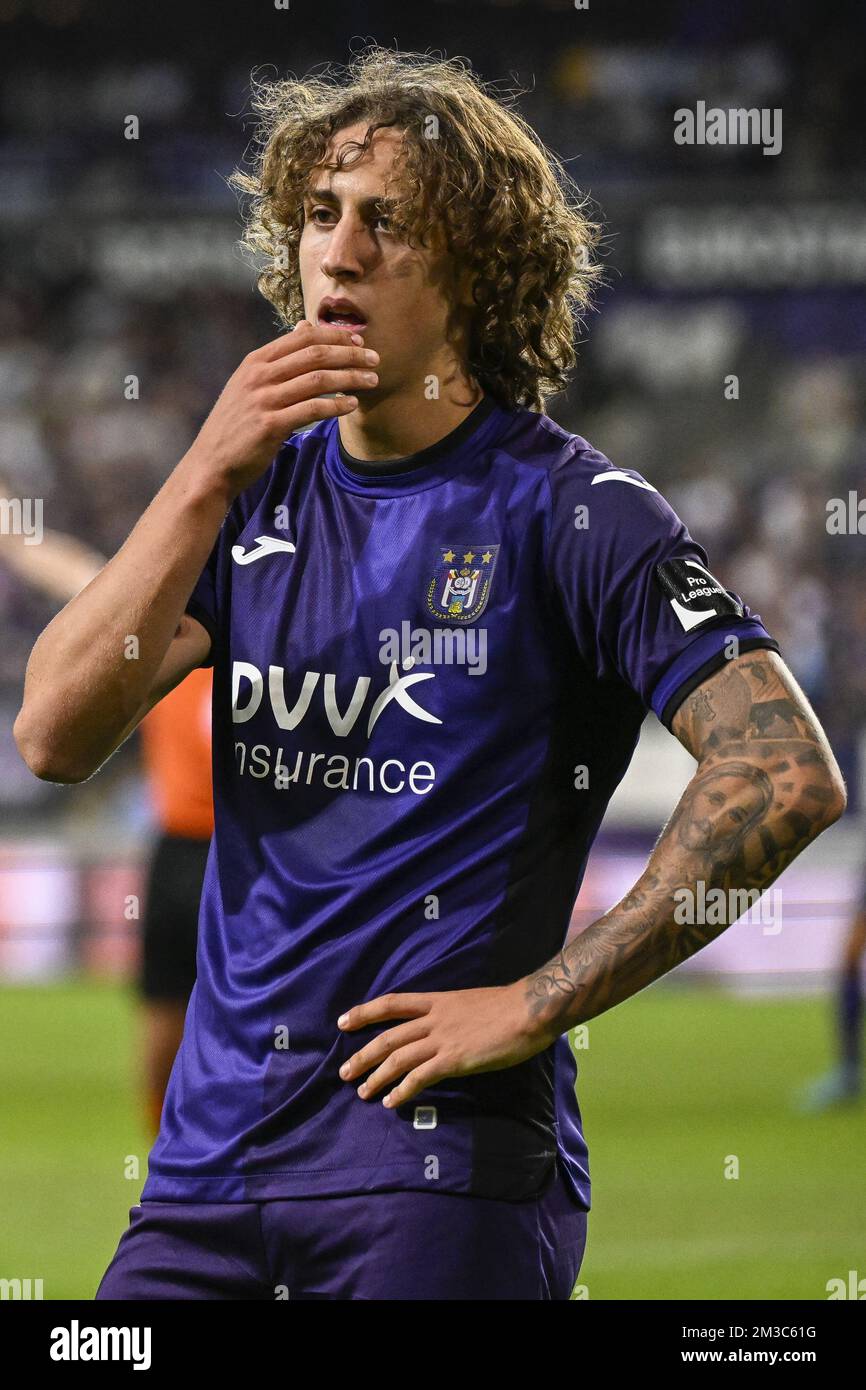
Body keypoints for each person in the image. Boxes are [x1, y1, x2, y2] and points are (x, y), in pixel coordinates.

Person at [14, 47, 847, 1301]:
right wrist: (198, 473)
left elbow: (783, 772)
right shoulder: (248, 498)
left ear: (471, 272)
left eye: (385, 224)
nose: (335, 253)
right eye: (317, 214)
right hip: (204, 1180)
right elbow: (54, 734)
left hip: (434, 1183)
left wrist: (535, 1000)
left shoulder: (576, 513)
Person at [0, 508, 211, 1136]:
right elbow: (64, 566)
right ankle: (167, 1166)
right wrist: (11, 524)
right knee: (162, 1029)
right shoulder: (161, 617)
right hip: (181, 851)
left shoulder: (268, 613)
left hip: (260, 848)